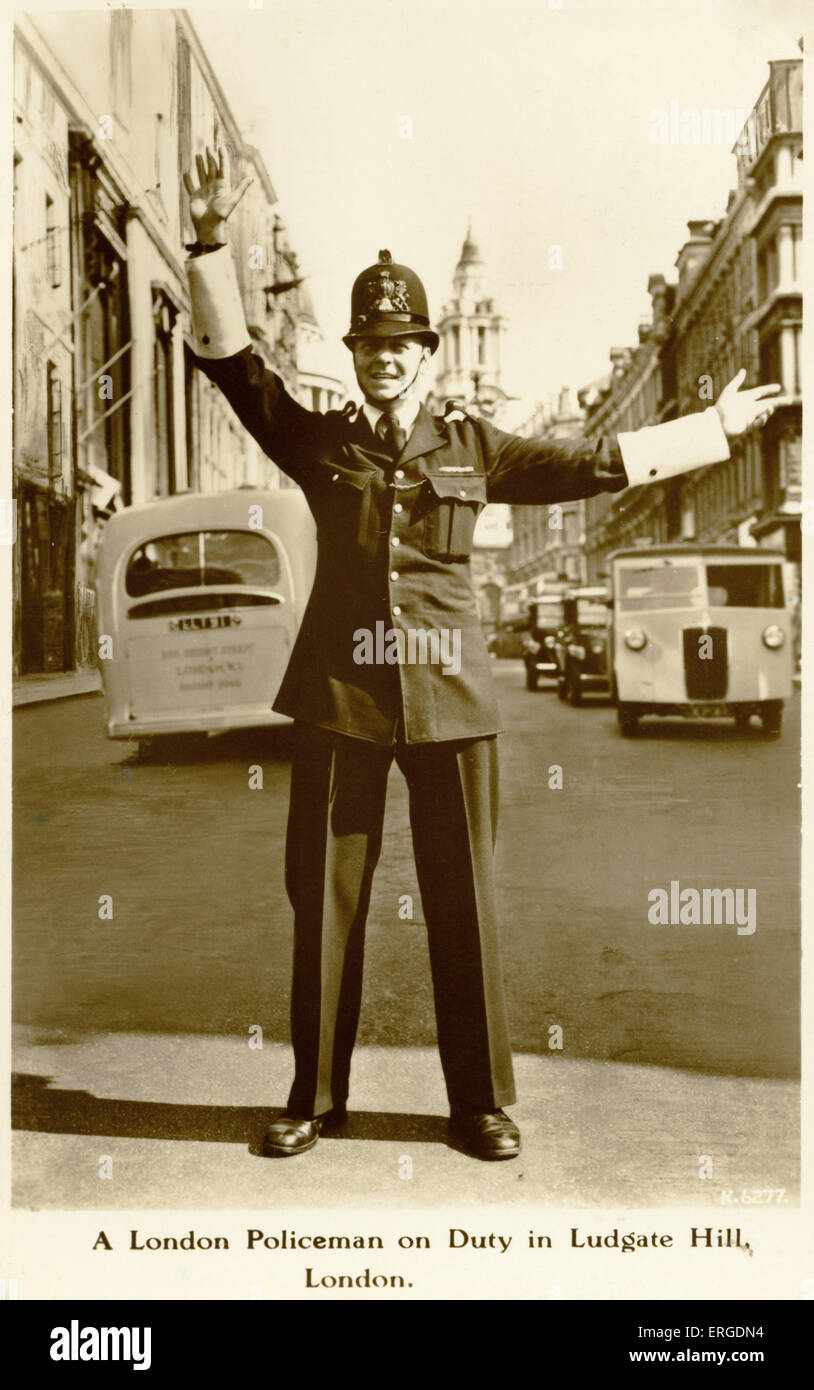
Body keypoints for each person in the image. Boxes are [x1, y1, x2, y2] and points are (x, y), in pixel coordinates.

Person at [182, 146, 780, 1161]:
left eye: (399, 344)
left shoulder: (473, 445)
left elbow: (592, 461)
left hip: (452, 698)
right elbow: (239, 373)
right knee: (323, 898)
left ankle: (478, 1102)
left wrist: (713, 430)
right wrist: (205, 245)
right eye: (369, 345)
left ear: (426, 351)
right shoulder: (319, 436)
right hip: (337, 695)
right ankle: (312, 1096)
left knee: (464, 899)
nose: (383, 359)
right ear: (359, 352)